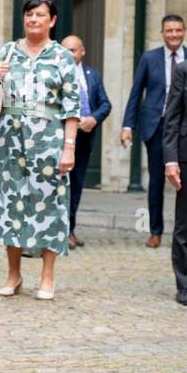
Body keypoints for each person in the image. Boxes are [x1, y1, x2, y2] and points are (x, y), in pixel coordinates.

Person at [0, 0, 79, 299]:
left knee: (49, 203)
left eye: (40, 15)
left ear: (51, 20)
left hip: (48, 141)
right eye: (29, 14)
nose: (33, 19)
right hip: (9, 140)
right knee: (11, 202)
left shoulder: (61, 56)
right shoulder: (7, 52)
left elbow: (72, 107)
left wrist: (69, 147)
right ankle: (14, 275)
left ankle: (47, 276)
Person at [122, 14, 187, 248]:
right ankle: (156, 230)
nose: (174, 35)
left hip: (186, 128)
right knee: (157, 181)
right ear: (162, 33)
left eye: (178, 30)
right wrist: (127, 125)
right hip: (157, 126)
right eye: (169, 30)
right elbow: (135, 92)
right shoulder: (149, 58)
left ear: (184, 32)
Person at [61, 34, 111, 248]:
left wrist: (94, 119)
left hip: (84, 138)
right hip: (61, 139)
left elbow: (105, 104)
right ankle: (59, 231)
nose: (70, 54)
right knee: (60, 185)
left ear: (82, 51)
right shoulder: (55, 74)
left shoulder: (93, 75)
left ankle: (70, 229)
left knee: (77, 184)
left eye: (73, 50)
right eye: (66, 50)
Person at [165, 59, 187, 305]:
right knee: (186, 225)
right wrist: (171, 160)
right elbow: (172, 117)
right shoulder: (184, 70)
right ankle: (184, 285)